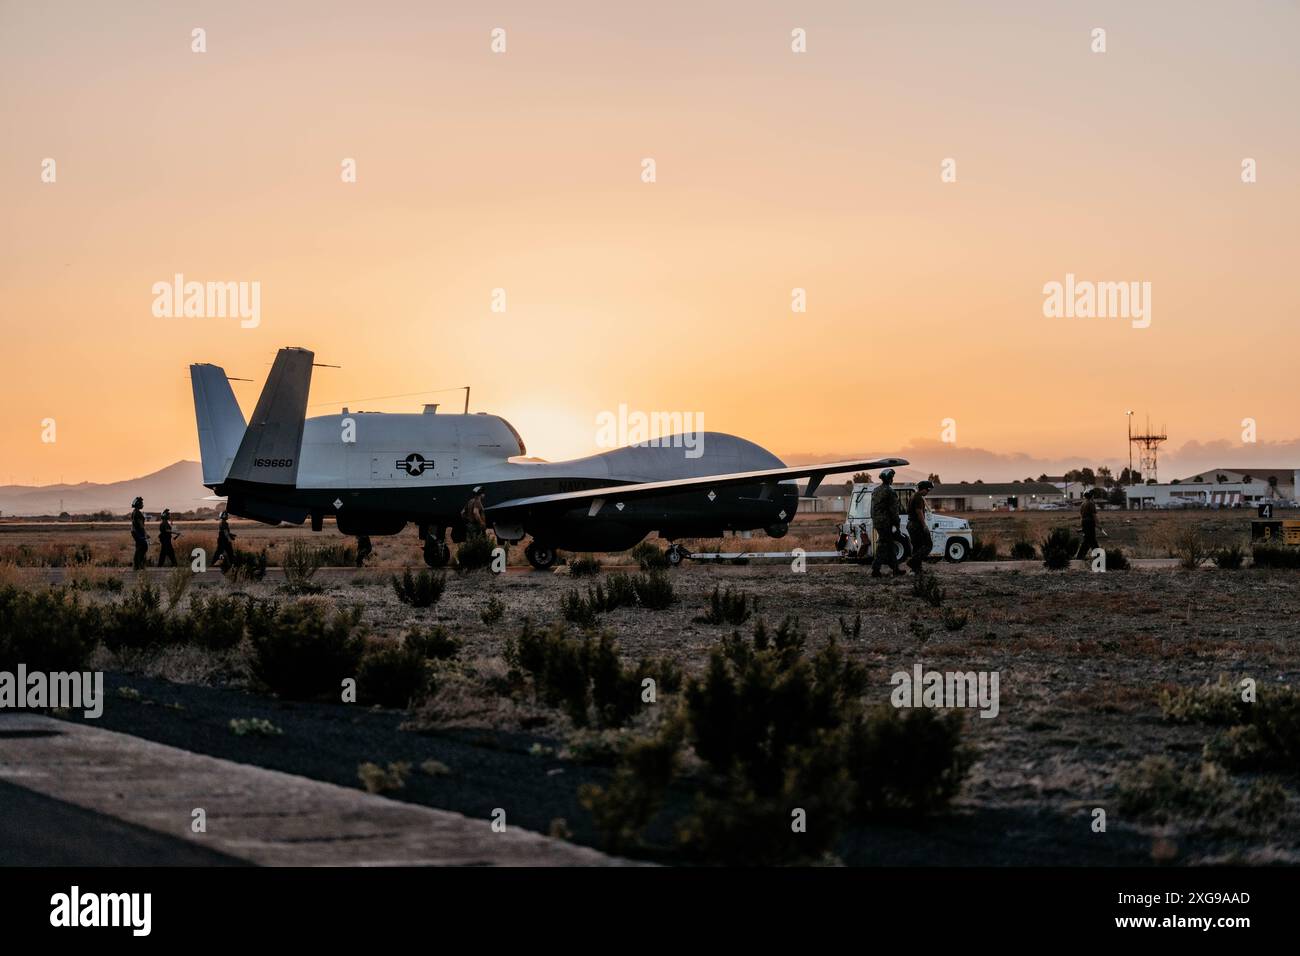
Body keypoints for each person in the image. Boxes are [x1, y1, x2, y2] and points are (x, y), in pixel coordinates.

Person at [870, 468, 905, 577]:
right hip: (886, 522)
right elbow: (894, 511)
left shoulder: (875, 491)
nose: (892, 479)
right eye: (892, 478)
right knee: (883, 544)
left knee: (889, 544)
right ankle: (875, 569)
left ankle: (895, 569)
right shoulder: (890, 492)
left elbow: (872, 509)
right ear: (889, 479)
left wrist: (875, 520)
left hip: (877, 521)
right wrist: (897, 525)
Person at [907, 480, 934, 574]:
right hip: (916, 525)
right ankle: (913, 562)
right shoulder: (918, 497)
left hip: (911, 524)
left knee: (917, 547)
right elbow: (919, 512)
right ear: (923, 489)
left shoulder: (913, 496)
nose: (928, 492)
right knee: (928, 545)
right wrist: (924, 526)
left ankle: (916, 570)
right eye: (927, 490)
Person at [1076, 489, 1099, 561]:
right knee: (1092, 540)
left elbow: (1081, 515)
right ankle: (1098, 557)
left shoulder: (1083, 504)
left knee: (1087, 540)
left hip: (1084, 522)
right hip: (1090, 523)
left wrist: (1083, 526)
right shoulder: (1091, 503)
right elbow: (1094, 514)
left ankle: (1080, 557)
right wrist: (1098, 523)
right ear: (1091, 496)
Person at [130, 497, 148, 570]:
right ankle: (139, 565)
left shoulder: (134, 512)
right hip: (138, 533)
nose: (142, 505)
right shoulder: (138, 513)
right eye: (141, 503)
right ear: (138, 504)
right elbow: (141, 525)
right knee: (143, 547)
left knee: (139, 547)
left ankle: (137, 565)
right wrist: (145, 533)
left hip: (135, 532)